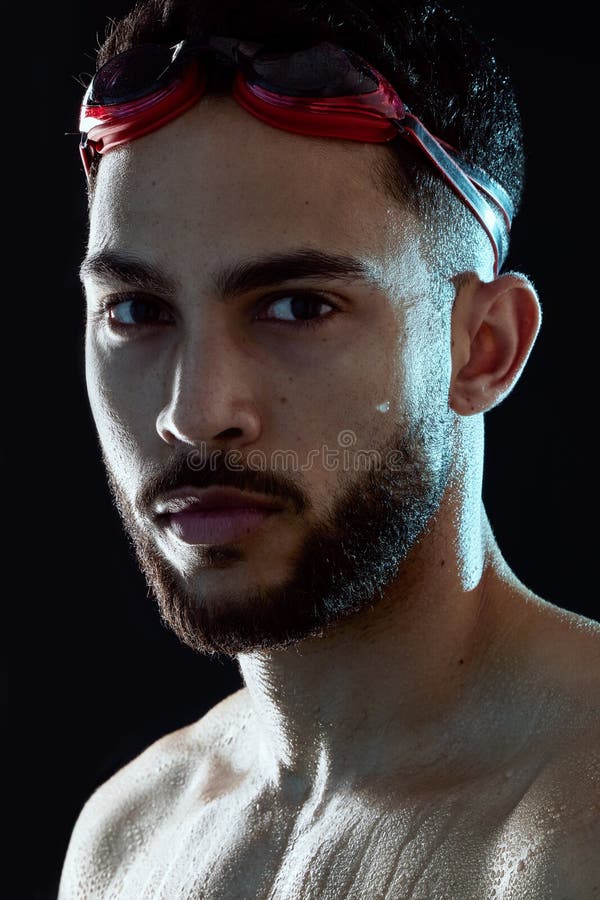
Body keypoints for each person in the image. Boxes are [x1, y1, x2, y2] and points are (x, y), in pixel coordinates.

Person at [59, 0, 599, 896]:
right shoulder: (126, 844)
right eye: (137, 312)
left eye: (298, 306)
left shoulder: (574, 826)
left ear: (483, 347)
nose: (194, 415)